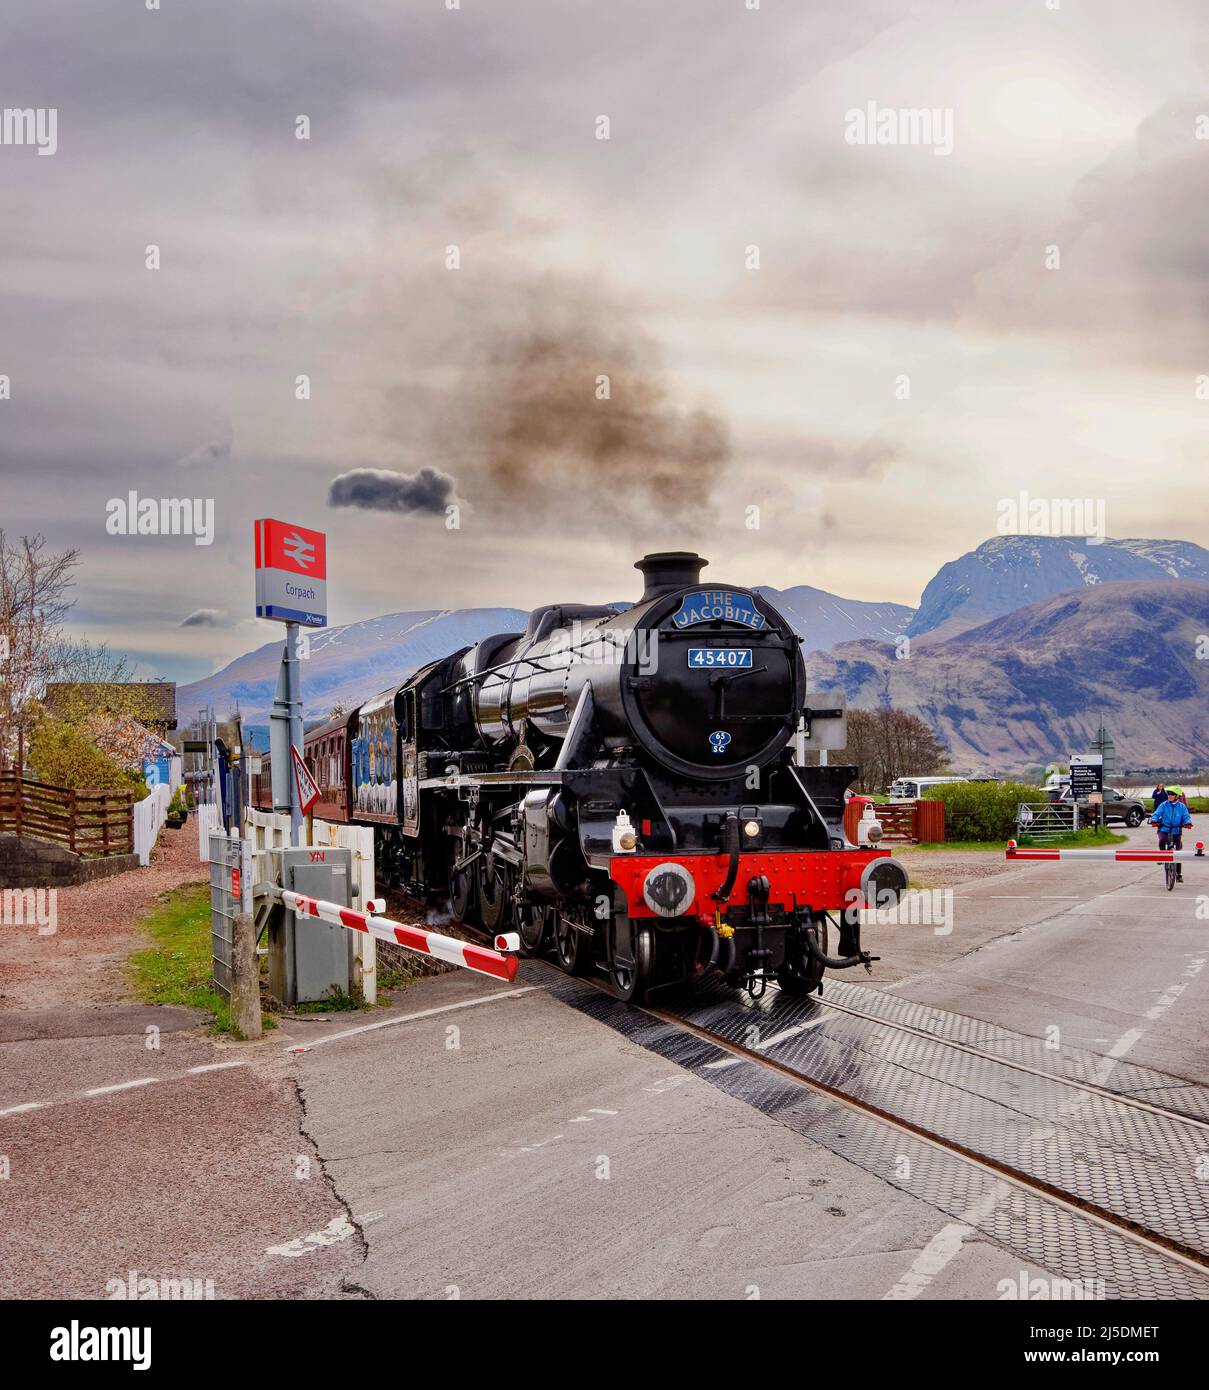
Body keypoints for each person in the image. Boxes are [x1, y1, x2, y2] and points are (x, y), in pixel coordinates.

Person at [1150, 787, 1193, 882]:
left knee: (1178, 852)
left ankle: (1178, 874)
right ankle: (1162, 857)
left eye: (1172, 794)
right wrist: (1154, 820)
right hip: (1164, 829)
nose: (1169, 796)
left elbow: (1186, 816)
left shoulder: (1182, 806)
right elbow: (1157, 813)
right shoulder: (1163, 805)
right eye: (1168, 794)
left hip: (1177, 830)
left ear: (1177, 796)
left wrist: (1188, 823)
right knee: (1162, 840)